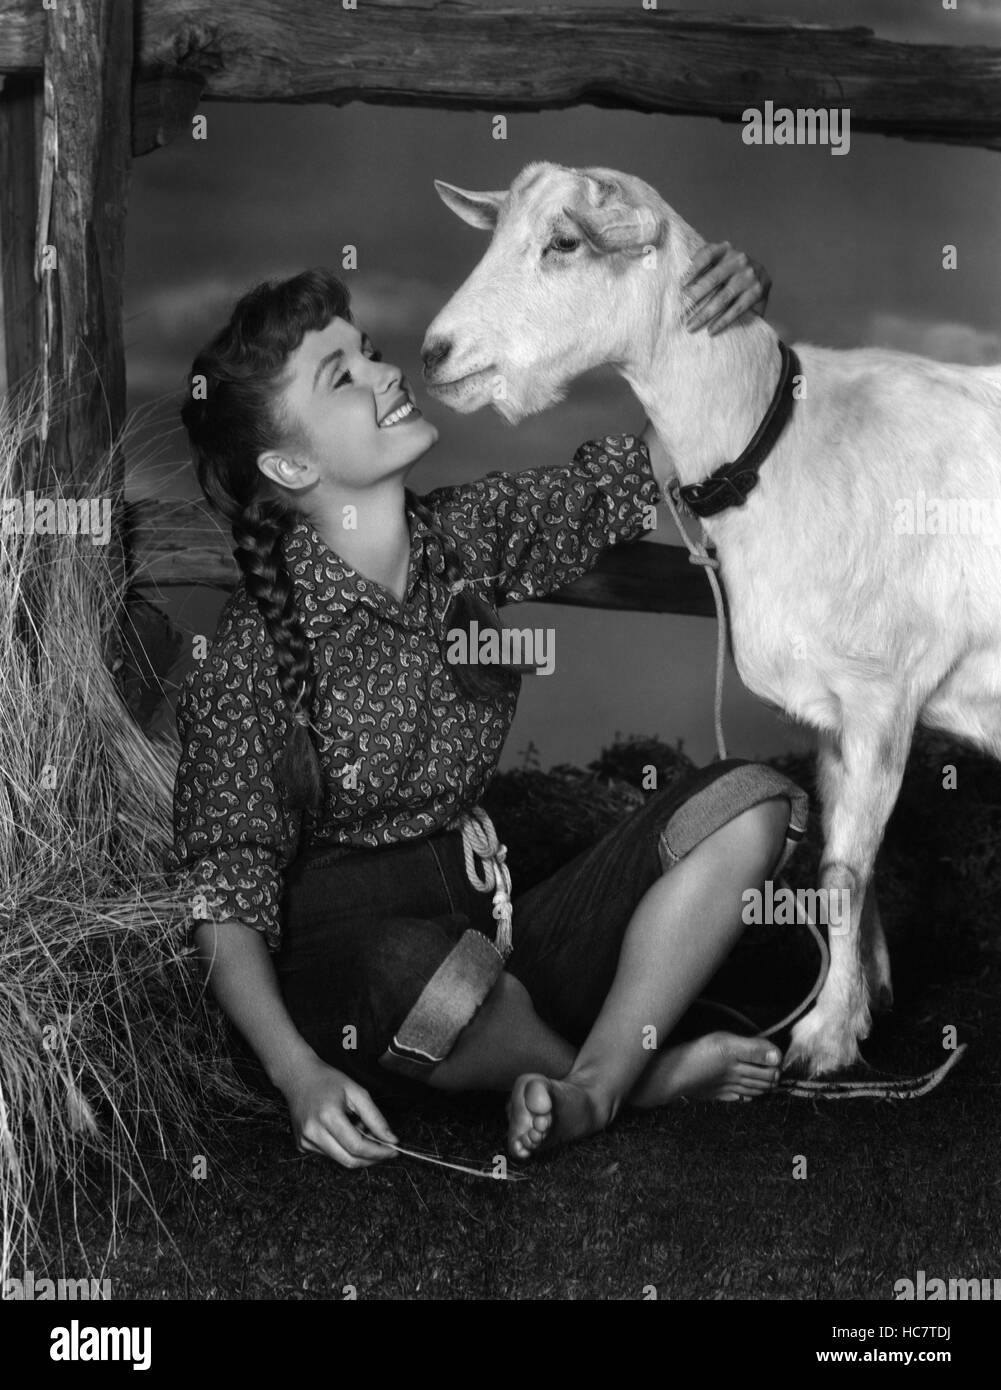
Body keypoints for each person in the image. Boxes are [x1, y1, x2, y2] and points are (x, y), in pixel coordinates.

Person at [167, 242, 810, 1168]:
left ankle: (590, 1089)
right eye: (340, 377)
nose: (387, 375)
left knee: (749, 802)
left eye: (369, 351)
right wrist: (297, 1074)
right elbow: (223, 898)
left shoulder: (465, 537)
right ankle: (646, 1079)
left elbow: (651, 460)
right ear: (294, 468)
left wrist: (722, 315)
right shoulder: (255, 648)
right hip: (364, 986)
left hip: (501, 940)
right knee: (418, 974)